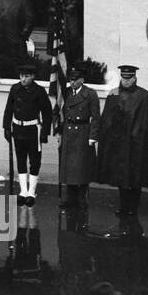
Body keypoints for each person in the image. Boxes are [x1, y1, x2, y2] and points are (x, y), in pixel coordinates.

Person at [96, 64, 148, 221]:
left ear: (134, 78)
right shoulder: (114, 94)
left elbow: (147, 123)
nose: (126, 81)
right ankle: (123, 206)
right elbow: (107, 119)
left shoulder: (144, 96)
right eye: (123, 77)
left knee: (135, 177)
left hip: (136, 145)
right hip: (118, 144)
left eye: (129, 78)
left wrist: (139, 139)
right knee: (120, 176)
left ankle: (133, 207)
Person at [1, 63, 52, 206]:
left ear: (33, 76)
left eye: (27, 76)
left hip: (33, 131)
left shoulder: (39, 91)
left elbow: (47, 112)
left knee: (34, 161)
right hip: (18, 129)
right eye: (22, 76)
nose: (23, 79)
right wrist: (6, 127)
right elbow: (8, 109)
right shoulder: (15, 89)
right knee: (21, 159)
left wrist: (45, 132)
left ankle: (31, 192)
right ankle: (23, 191)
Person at [57, 62, 99, 210]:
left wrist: (93, 136)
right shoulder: (66, 93)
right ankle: (70, 198)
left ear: (82, 80)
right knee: (69, 166)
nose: (72, 82)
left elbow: (96, 117)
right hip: (68, 132)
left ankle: (82, 198)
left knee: (82, 167)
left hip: (83, 131)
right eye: (71, 79)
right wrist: (59, 132)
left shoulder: (90, 94)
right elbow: (60, 112)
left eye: (75, 80)